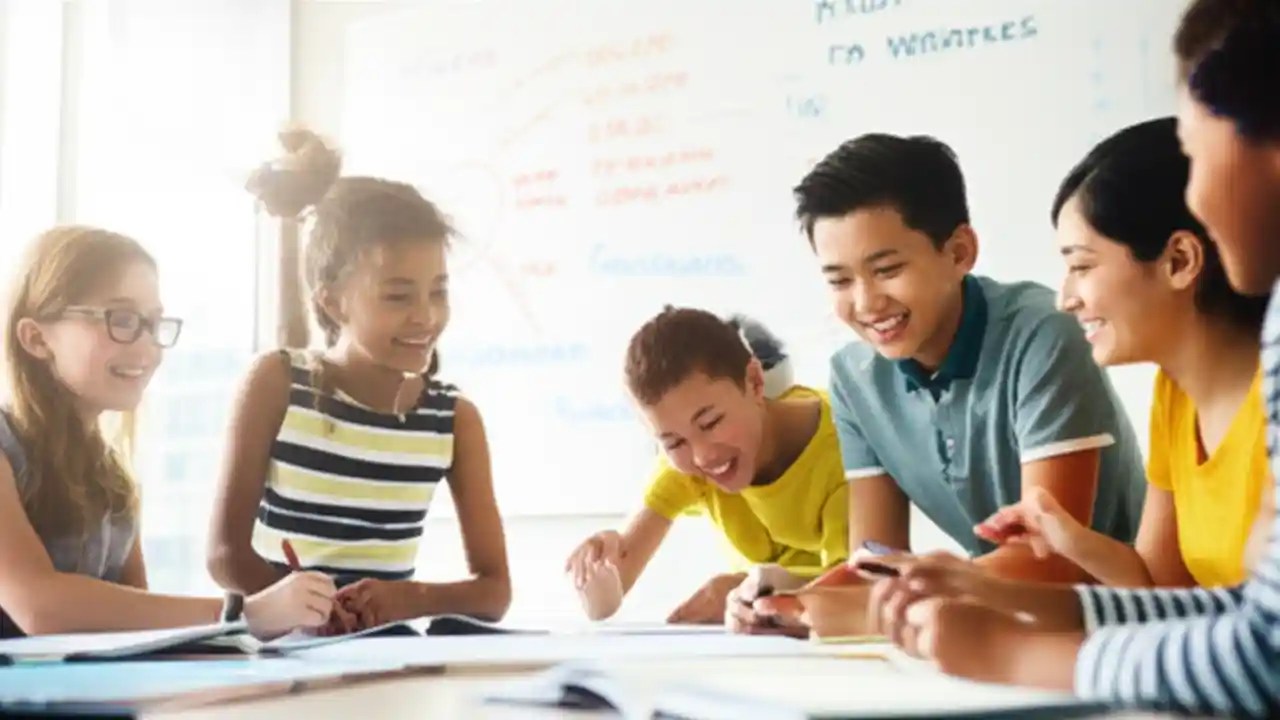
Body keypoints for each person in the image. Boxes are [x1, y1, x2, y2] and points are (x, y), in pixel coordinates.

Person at [865, 2, 1280, 715]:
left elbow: (1261, 656)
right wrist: (997, 592)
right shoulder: (1179, 396)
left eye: (1200, 146)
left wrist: (1012, 651)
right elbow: (1213, 608)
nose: (1200, 190)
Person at [207, 130, 510, 630]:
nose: (425, 317)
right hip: (275, 658)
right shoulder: (276, 383)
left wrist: (407, 599)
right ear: (331, 301)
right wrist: (307, 607)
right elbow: (224, 555)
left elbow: (494, 591)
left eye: (438, 292)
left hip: (384, 663)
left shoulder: (454, 421)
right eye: (397, 296)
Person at [975, 117, 1269, 590]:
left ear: (1180, 261)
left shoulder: (1269, 404)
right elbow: (1159, 583)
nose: (1065, 298)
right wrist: (1066, 537)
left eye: (1082, 266)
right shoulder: (1176, 394)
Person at [0, 226, 333, 639]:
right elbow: (38, 606)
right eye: (120, 320)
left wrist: (275, 630)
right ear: (36, 338)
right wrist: (244, 614)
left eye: (153, 323)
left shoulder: (111, 477)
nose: (147, 348)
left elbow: (138, 625)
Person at [565, 308, 846, 630]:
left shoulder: (840, 447)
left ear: (755, 382)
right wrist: (598, 575)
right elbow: (607, 601)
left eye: (711, 423)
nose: (701, 457)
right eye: (672, 442)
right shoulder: (687, 463)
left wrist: (752, 587)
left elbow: (854, 588)